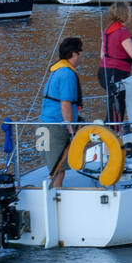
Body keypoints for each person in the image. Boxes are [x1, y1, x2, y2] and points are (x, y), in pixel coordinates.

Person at [37, 37, 84, 188]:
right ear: (74, 54)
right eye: (81, 51)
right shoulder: (67, 74)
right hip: (54, 127)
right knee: (58, 170)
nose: (83, 55)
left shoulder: (58, 70)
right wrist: (71, 129)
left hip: (44, 125)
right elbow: (65, 103)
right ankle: (56, 197)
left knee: (54, 166)